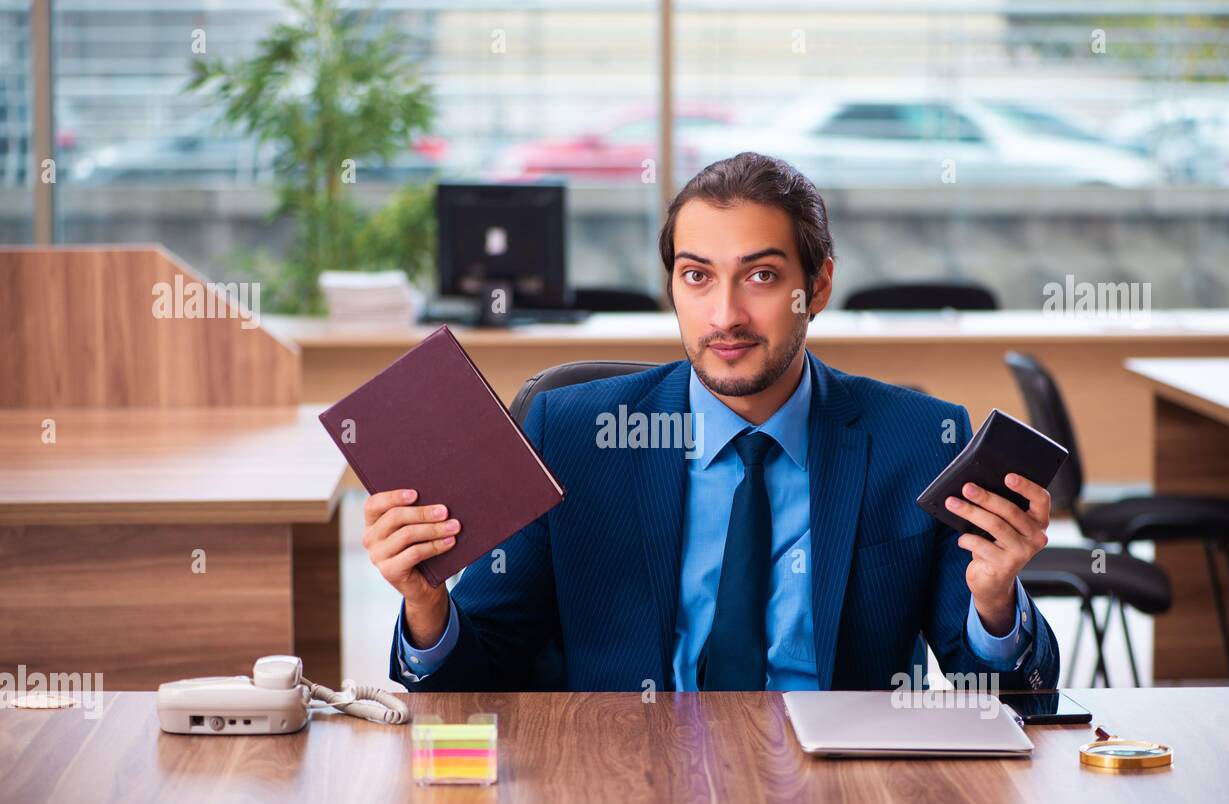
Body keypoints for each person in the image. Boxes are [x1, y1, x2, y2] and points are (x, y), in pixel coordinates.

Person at [366, 151, 1059, 692]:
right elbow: (474, 679)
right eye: (697, 276)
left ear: (816, 286)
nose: (725, 316)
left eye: (760, 277)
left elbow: (1010, 693)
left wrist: (996, 601)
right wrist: (427, 605)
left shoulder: (918, 441)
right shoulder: (570, 436)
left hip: (839, 792)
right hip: (628, 780)